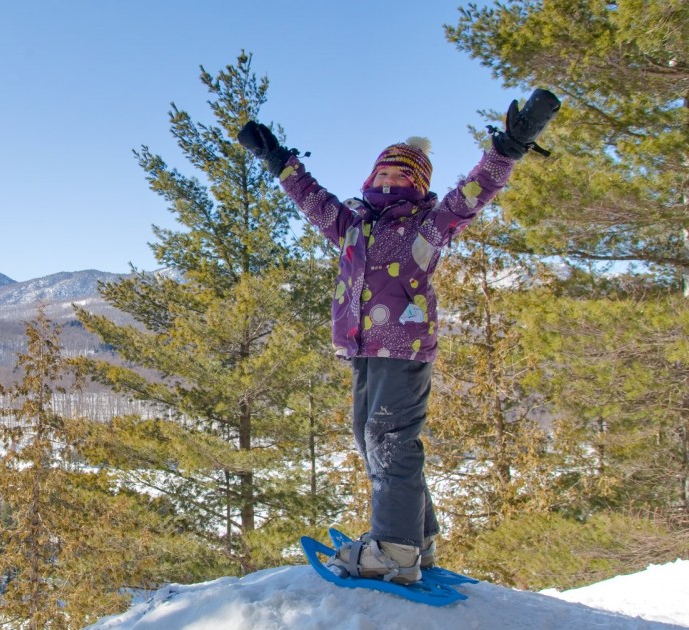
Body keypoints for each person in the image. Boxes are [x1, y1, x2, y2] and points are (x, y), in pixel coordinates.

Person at [239, 89, 560, 585]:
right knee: (373, 441)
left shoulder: (428, 225)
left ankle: (395, 551)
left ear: (418, 185)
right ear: (371, 178)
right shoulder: (352, 225)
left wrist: (509, 148)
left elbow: (473, 193)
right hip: (363, 347)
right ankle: (419, 538)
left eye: (401, 175)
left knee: (389, 441)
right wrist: (279, 159)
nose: (389, 182)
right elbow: (311, 199)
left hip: (403, 349)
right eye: (383, 174)